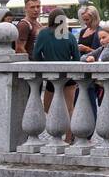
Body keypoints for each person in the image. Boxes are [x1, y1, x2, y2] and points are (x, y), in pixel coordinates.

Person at [32, 9, 81, 138]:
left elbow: (36, 54)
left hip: (51, 76)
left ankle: (59, 130)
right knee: (69, 108)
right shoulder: (69, 35)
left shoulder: (43, 34)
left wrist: (45, 64)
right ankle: (69, 138)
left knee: (47, 107)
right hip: (68, 76)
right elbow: (76, 57)